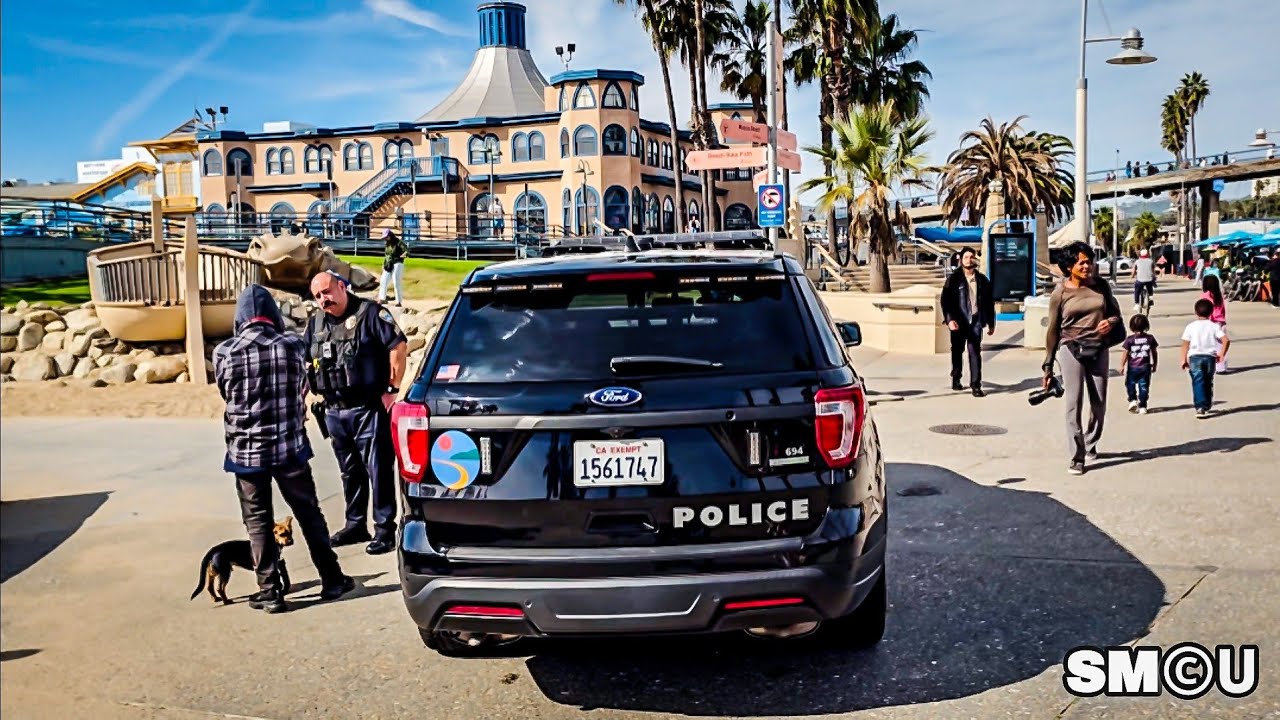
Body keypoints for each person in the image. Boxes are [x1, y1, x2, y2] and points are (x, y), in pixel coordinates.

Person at [212, 284, 354, 613]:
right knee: (308, 514)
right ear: (273, 315)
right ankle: (332, 579)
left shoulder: (225, 352)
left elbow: (226, 393)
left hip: (246, 453)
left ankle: (270, 591)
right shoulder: (291, 344)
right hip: (290, 449)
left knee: (258, 521)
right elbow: (303, 386)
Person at [306, 271, 408, 555]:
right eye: (317, 296)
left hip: (367, 408)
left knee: (378, 470)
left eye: (327, 292)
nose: (323, 300)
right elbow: (307, 363)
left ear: (342, 286)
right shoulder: (315, 323)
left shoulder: (370, 313)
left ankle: (385, 529)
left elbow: (398, 345)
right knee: (349, 472)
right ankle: (355, 525)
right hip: (334, 410)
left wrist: (392, 387)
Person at [1043, 242, 1124, 475]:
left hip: (1099, 347)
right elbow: (1053, 329)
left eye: (1090, 261)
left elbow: (1116, 314)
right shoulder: (1060, 293)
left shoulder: (1101, 286)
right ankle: (1077, 456)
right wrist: (1048, 365)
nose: (1088, 266)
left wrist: (1111, 322)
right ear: (1069, 266)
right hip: (1071, 348)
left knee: (1098, 404)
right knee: (1073, 403)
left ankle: (1090, 441)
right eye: (1082, 262)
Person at [940, 247, 995, 396]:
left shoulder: (982, 280)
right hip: (959, 321)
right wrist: (950, 319)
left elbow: (989, 302)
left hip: (975, 321)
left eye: (971, 257)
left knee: (974, 352)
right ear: (961, 260)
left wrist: (991, 322)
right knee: (957, 352)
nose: (969, 260)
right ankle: (956, 377)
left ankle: (976, 385)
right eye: (966, 257)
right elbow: (946, 301)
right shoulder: (953, 279)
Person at [1181, 298, 1230, 418]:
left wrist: (1183, 359)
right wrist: (1221, 354)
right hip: (1210, 358)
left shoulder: (1190, 326)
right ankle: (1207, 404)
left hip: (1195, 357)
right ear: (1211, 312)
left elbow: (1185, 344)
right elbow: (1226, 340)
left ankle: (1200, 407)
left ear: (1195, 312)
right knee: (1208, 381)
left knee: (1198, 381)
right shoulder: (1213, 326)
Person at [1120, 313, 1158, 414]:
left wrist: (1122, 365)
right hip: (1145, 367)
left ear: (1131, 327)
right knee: (1144, 386)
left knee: (1130, 384)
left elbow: (1125, 353)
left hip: (1133, 367)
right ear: (1146, 326)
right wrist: (1155, 364)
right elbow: (1154, 352)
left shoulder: (1130, 340)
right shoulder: (1150, 338)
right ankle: (1143, 406)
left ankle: (1132, 400)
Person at [1200, 274, 1228, 372]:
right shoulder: (1219, 295)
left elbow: (1206, 309)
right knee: (1220, 345)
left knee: (1210, 345)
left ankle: (1212, 365)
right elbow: (1223, 310)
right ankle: (1221, 365)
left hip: (1211, 322)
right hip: (1221, 322)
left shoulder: (1205, 296)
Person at [377, 228, 409, 307]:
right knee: (383, 280)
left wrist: (401, 257)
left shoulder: (398, 242)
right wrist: (384, 264)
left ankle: (398, 301)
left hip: (397, 263)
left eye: (386, 237)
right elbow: (386, 255)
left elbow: (406, 251)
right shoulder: (387, 244)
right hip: (388, 264)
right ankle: (382, 298)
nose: (385, 239)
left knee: (396, 281)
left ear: (390, 235)